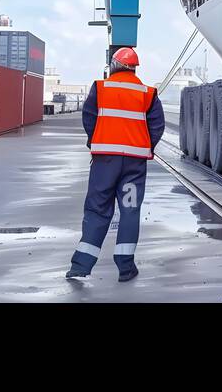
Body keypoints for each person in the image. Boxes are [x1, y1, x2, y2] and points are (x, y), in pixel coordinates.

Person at [66, 47, 165, 282]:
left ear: (113, 65)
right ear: (134, 68)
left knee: (97, 209)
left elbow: (89, 118)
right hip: (135, 164)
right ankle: (126, 267)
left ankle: (81, 266)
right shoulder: (148, 93)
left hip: (105, 161)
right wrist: (144, 147)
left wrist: (96, 141)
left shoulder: (101, 88)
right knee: (130, 210)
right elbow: (157, 126)